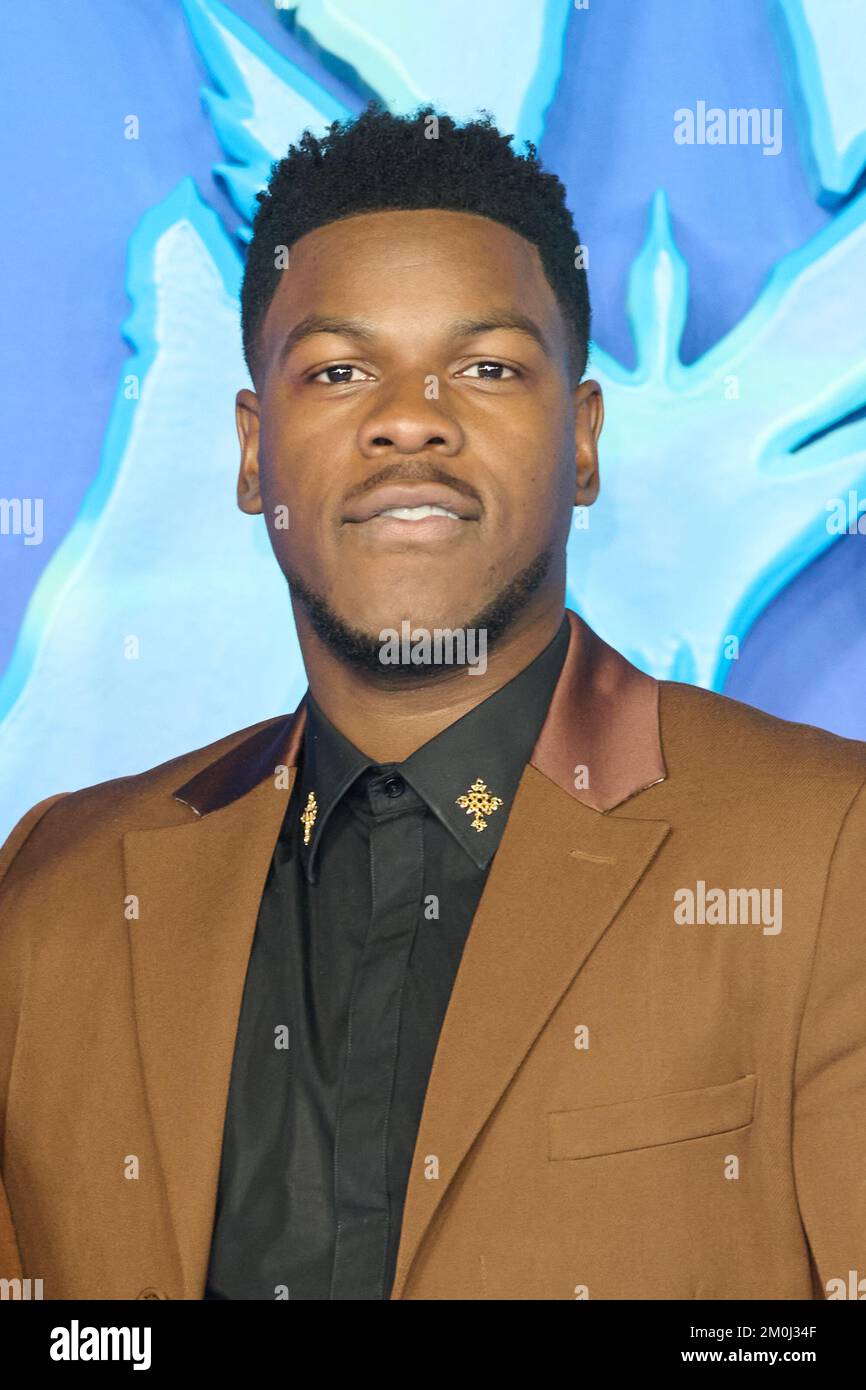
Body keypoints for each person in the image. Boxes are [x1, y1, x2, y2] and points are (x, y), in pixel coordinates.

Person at [1, 102, 864, 1302]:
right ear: (253, 452)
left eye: (487, 366)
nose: (410, 417)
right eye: (341, 370)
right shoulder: (55, 890)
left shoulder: (829, 851)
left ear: (581, 442)